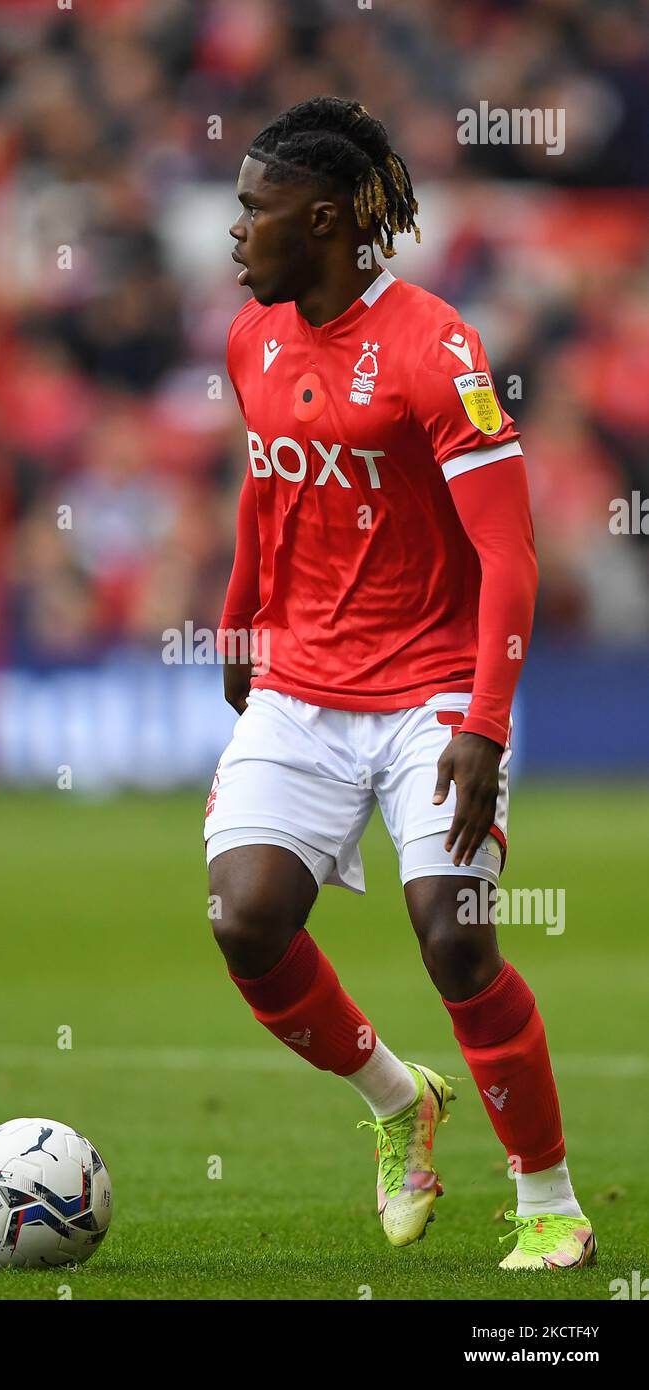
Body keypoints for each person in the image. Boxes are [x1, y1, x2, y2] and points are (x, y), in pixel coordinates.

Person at [204, 97, 595, 1271]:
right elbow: (267, 485)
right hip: (302, 687)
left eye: (253, 211)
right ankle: (395, 1099)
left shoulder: (435, 349)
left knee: (455, 936)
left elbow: (507, 552)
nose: (234, 234)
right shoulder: (251, 339)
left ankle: (547, 1205)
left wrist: (482, 721)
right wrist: (236, 618)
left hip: (431, 691)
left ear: (321, 220)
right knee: (245, 920)